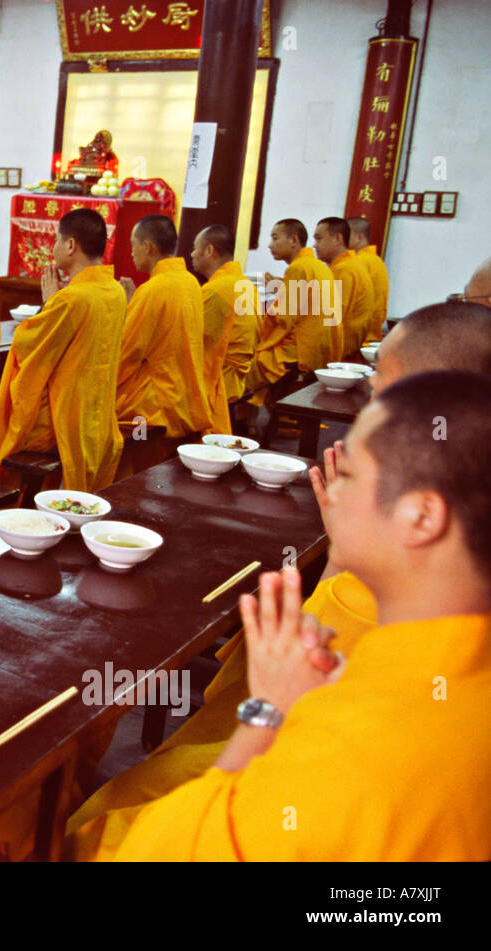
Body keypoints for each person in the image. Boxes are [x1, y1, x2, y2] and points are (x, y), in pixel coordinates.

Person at [64, 300, 491, 861]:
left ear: (421, 517)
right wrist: (342, 553)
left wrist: (267, 713)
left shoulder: (366, 752)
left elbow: (164, 848)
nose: (333, 490)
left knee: (100, 825)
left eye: (354, 475)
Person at [0, 208, 126, 492]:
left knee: (4, 430)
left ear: (70, 245)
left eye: (56, 240)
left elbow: (28, 346)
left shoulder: (71, 300)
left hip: (64, 423)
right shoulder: (114, 292)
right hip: (99, 418)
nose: (53, 247)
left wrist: (50, 303)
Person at [115, 214, 225, 437]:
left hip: (157, 403)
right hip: (188, 396)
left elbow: (127, 352)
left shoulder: (153, 289)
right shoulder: (190, 282)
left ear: (147, 247)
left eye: (132, 245)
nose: (131, 252)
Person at [246, 218, 336, 401]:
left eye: (275, 238)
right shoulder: (317, 266)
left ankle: (238, 421)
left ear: (293, 240)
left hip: (299, 350)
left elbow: (285, 320)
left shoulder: (298, 268)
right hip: (320, 348)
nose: (270, 245)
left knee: (245, 367)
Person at [190, 224, 259, 409]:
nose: (192, 254)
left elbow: (195, 340)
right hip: (238, 376)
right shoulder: (245, 283)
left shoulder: (216, 290)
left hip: (220, 378)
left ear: (209, 250)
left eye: (195, 248)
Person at [314, 215, 374, 360]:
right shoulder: (346, 265)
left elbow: (333, 319)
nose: (314, 245)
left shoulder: (345, 269)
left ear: (337, 239)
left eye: (319, 239)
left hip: (338, 356)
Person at [347, 216, 389, 344]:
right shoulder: (376, 260)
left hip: (357, 338)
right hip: (372, 335)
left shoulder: (358, 262)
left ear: (359, 237)